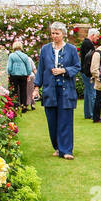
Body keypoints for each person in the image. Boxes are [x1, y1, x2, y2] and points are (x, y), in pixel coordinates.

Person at [35, 21, 80, 159]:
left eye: (57, 33)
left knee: (65, 119)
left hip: (66, 91)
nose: (54, 36)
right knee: (52, 120)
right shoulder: (45, 49)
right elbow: (41, 69)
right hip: (50, 90)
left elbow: (77, 67)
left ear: (63, 34)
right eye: (53, 33)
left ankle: (66, 150)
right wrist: (36, 87)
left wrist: (64, 70)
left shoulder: (71, 49)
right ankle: (57, 147)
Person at [6, 40, 34, 112]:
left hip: (14, 75)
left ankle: (15, 106)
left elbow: (9, 67)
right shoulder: (25, 56)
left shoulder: (11, 55)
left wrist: (9, 73)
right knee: (23, 91)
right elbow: (29, 67)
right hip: (23, 75)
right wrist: (28, 74)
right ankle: (24, 106)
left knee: (14, 91)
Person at [79, 28, 101, 119]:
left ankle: (88, 113)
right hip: (87, 72)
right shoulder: (88, 44)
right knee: (92, 92)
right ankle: (93, 114)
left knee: (88, 92)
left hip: (84, 71)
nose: (98, 38)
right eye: (97, 36)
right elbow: (90, 60)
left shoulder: (85, 43)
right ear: (92, 35)